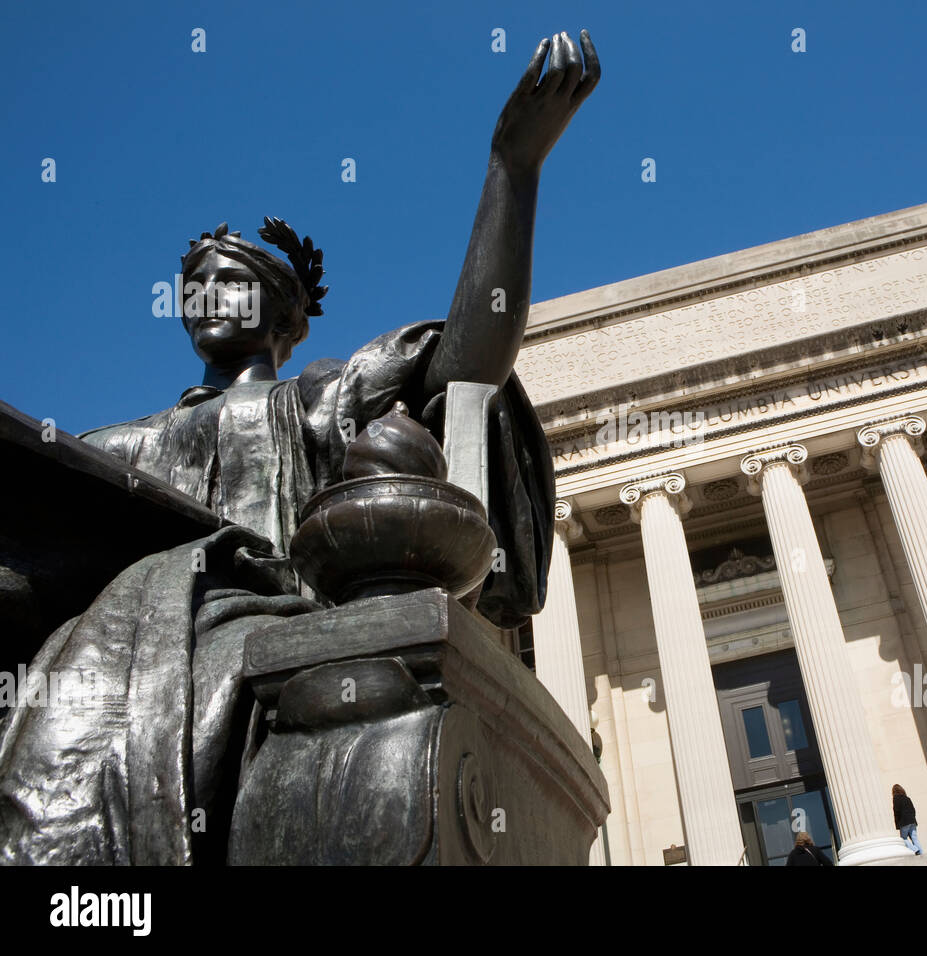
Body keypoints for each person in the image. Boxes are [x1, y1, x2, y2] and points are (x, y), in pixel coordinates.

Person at [0, 30, 601, 866]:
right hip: (120, 656)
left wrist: (513, 169)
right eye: (194, 284)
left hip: (269, 634)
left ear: (284, 315)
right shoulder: (108, 448)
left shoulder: (324, 398)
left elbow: (470, 362)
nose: (207, 292)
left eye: (231, 278)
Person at [893, 784, 922, 854]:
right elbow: (913, 810)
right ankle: (921, 852)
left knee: (903, 839)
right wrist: (913, 818)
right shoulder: (907, 798)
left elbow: (896, 811)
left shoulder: (896, 799)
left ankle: (915, 849)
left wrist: (897, 824)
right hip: (912, 821)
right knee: (915, 838)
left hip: (904, 822)